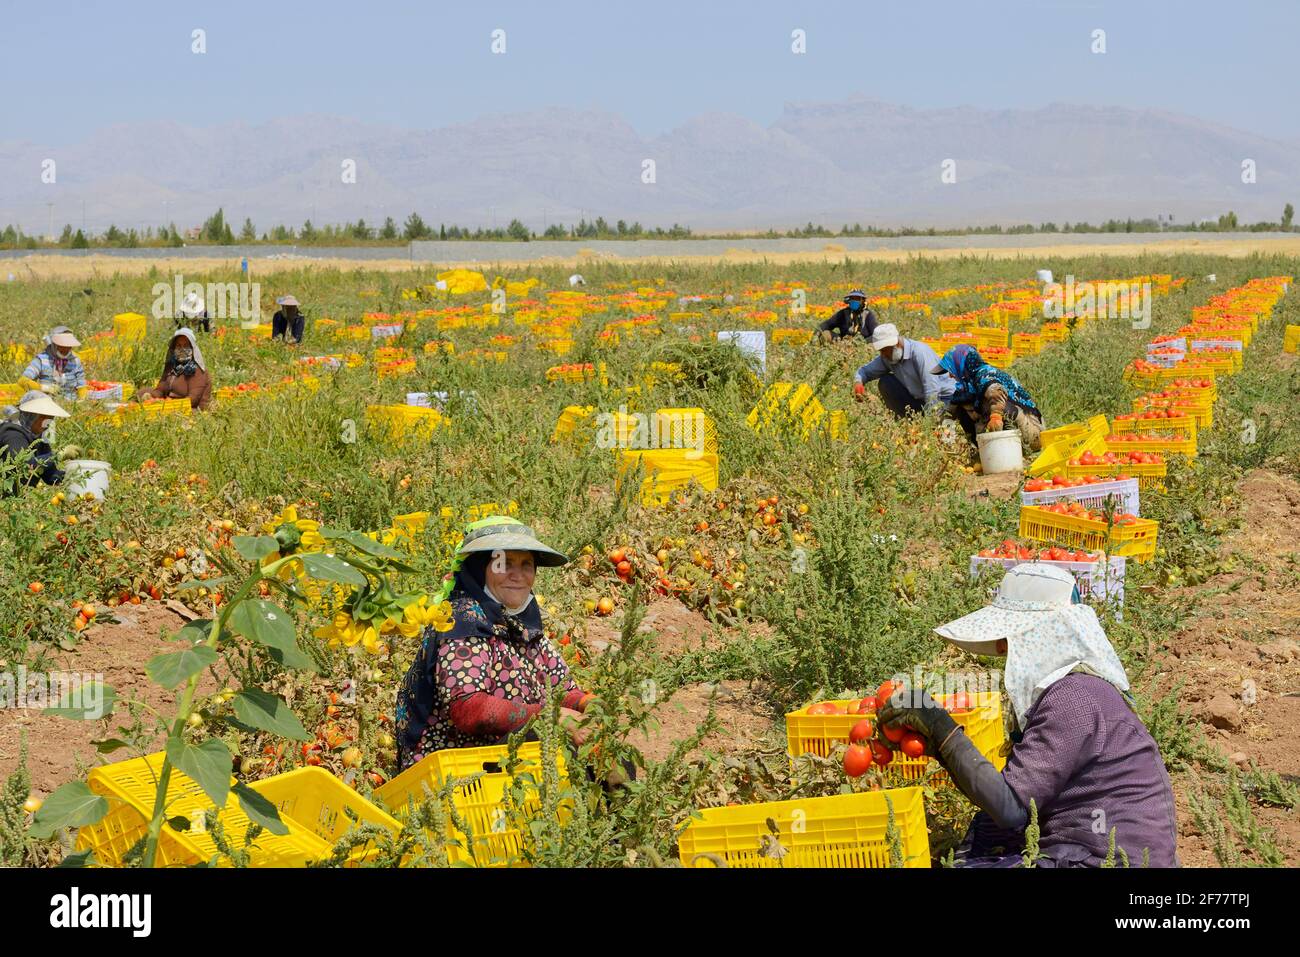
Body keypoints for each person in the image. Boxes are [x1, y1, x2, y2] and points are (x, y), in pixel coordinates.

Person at [878, 564, 1179, 868]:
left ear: (1039, 639)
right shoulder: (1075, 689)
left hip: (1110, 857)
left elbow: (1011, 807)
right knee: (987, 828)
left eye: (1012, 643)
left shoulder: (1072, 699)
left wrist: (941, 728)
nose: (1006, 652)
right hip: (1097, 839)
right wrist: (941, 744)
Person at [394, 516, 595, 772]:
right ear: (480, 568)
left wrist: (588, 704)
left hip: (499, 756)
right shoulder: (459, 621)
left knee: (598, 739)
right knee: (549, 732)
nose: (518, 575)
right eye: (503, 563)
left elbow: (560, 689)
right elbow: (468, 709)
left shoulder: (522, 623)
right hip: (456, 770)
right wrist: (547, 715)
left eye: (526, 565)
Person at [933, 344, 1044, 453]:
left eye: (951, 370)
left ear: (960, 365)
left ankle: (1010, 452)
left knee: (1002, 409)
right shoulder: (966, 387)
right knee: (961, 407)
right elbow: (949, 412)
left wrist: (995, 415)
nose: (950, 376)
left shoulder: (985, 374)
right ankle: (986, 451)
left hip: (1032, 433)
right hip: (1000, 436)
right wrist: (941, 434)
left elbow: (996, 391)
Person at [853, 323, 955, 417]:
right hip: (920, 399)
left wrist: (931, 420)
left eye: (884, 350)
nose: (883, 354)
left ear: (896, 344)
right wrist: (858, 382)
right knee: (886, 382)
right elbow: (865, 371)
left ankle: (927, 421)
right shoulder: (888, 357)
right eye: (881, 351)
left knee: (944, 425)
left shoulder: (920, 352)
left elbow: (932, 389)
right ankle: (907, 420)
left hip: (944, 398)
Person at [0, 391, 70, 495]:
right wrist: (58, 455)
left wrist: (72, 475)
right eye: (43, 417)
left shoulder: (38, 438)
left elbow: (50, 475)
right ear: (30, 416)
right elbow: (24, 466)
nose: (48, 422)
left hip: (21, 498)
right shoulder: (13, 434)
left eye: (50, 418)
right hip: (6, 498)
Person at [138, 328, 212, 410]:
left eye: (186, 346)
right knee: (142, 392)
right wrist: (151, 397)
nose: (182, 349)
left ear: (192, 348)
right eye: (179, 346)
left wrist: (169, 404)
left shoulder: (197, 370)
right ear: (174, 348)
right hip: (169, 403)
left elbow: (192, 400)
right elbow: (160, 390)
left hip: (188, 409)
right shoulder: (172, 366)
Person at [21, 327, 86, 401]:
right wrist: (44, 388)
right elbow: (23, 380)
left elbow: (81, 385)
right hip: (47, 401)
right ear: (53, 345)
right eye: (62, 346)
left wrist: (82, 400)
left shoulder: (75, 360)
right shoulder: (41, 360)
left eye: (68, 346)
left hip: (70, 401)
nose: (65, 349)